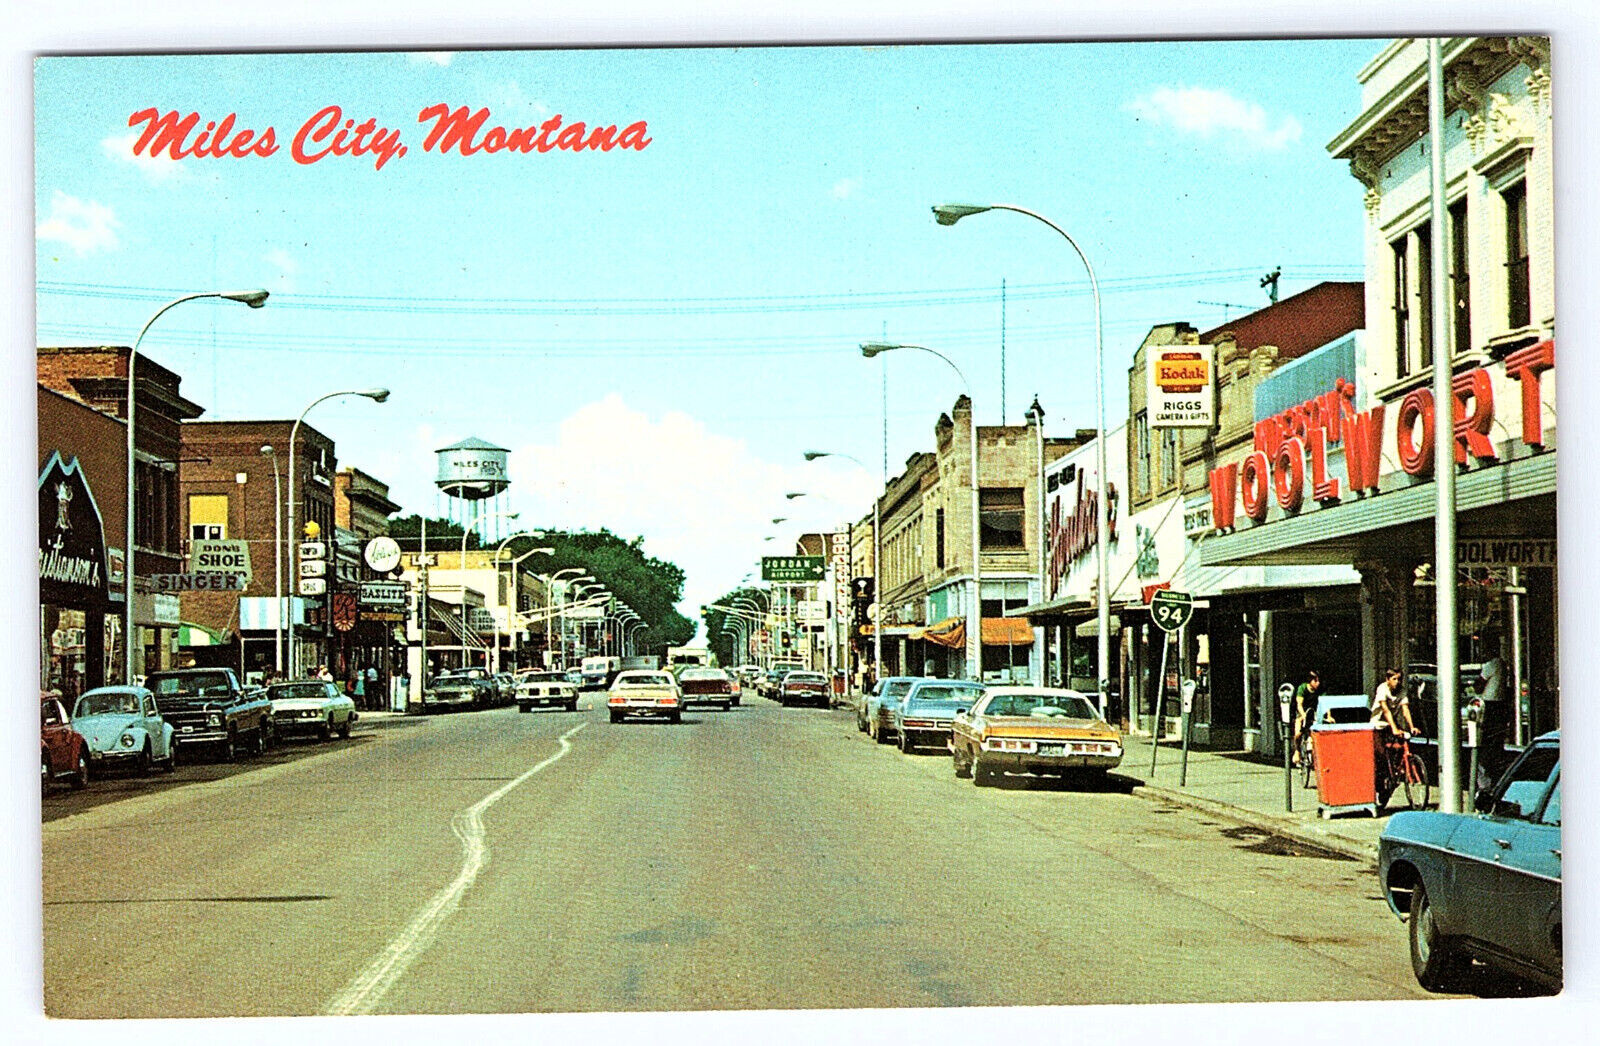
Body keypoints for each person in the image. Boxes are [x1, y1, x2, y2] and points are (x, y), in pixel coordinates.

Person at [1370, 667, 1417, 736]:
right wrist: (1394, 729)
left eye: (1399, 679)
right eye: (1394, 679)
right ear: (1387, 679)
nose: (1397, 682)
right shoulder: (1382, 688)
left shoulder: (1402, 691)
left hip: (1391, 722)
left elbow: (1405, 710)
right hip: (1378, 722)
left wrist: (1412, 727)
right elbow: (1386, 710)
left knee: (1406, 736)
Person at [1290, 669, 1323, 767]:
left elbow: (1324, 703)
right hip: (1302, 713)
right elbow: (1299, 704)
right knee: (1298, 733)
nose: (1318, 683)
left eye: (1318, 680)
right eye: (1315, 681)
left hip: (1313, 713)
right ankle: (1297, 751)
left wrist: (1328, 716)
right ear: (1310, 681)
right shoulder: (1302, 688)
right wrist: (1303, 714)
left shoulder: (1320, 690)